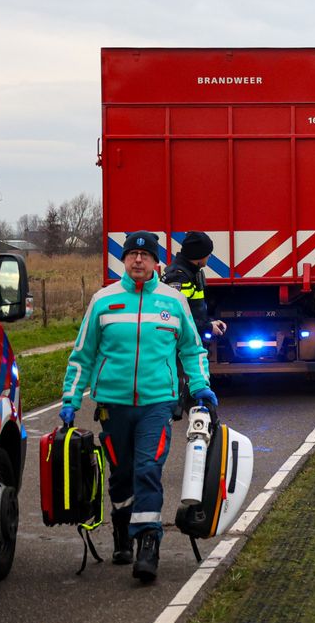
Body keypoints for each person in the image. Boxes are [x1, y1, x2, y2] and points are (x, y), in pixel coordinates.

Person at [59, 231, 215, 582]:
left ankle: (149, 545)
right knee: (122, 475)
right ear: (124, 260)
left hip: (157, 404)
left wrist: (201, 387)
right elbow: (81, 356)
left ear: (157, 262)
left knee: (147, 469)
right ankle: (122, 531)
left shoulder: (173, 302)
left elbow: (192, 350)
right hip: (112, 406)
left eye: (145, 256)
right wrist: (71, 400)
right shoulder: (103, 301)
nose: (138, 261)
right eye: (132, 255)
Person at [163, 231, 226, 340]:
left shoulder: (190, 273)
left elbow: (193, 310)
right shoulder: (179, 277)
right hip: (181, 347)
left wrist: (210, 323)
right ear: (199, 254)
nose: (209, 255)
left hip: (188, 342)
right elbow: (177, 317)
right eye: (207, 252)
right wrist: (207, 327)